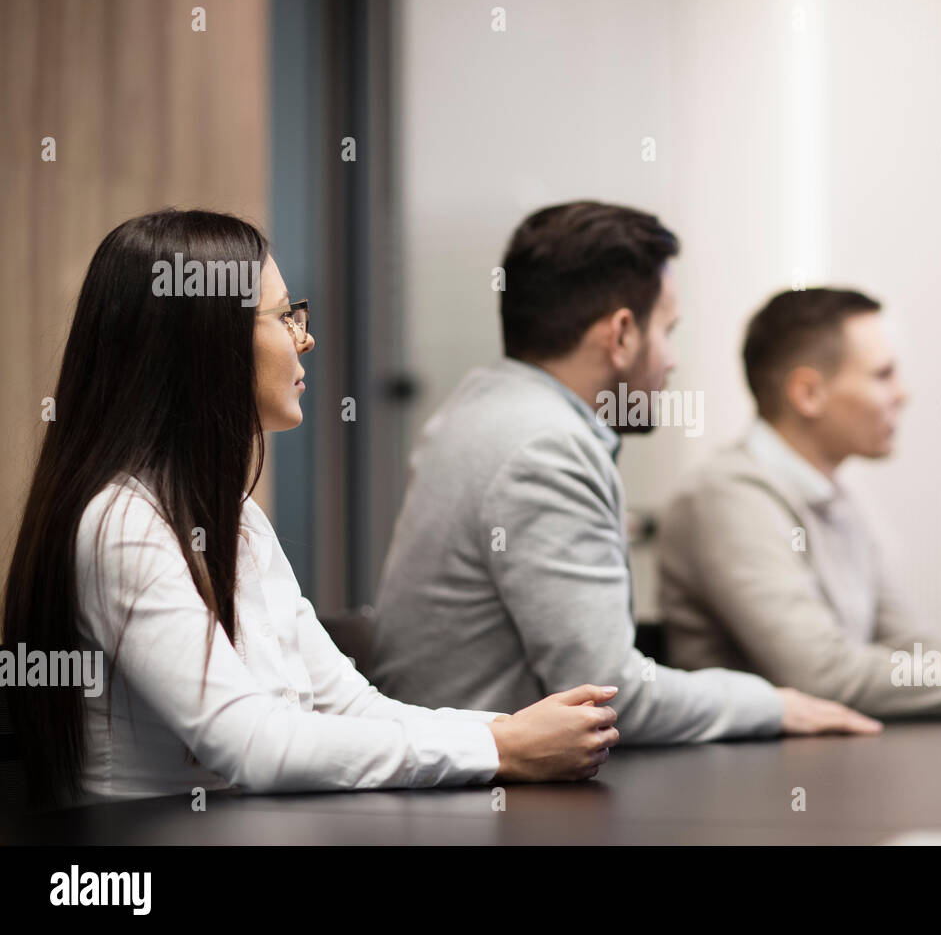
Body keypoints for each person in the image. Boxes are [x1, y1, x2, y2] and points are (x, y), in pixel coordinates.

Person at [1, 209, 618, 809]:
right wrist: (498, 746)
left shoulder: (235, 520)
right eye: (282, 317)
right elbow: (257, 747)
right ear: (208, 345)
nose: (306, 338)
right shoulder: (122, 528)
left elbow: (353, 708)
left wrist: (516, 730)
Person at [370, 201, 879, 742]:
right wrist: (772, 704)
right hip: (488, 808)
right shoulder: (546, 449)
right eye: (668, 330)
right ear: (620, 336)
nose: (672, 360)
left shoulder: (474, 411)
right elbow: (612, 697)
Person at [658, 287, 941, 717]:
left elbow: (903, 642)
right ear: (807, 393)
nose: (903, 393)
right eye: (883, 375)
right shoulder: (725, 499)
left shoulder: (832, 493)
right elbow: (823, 674)